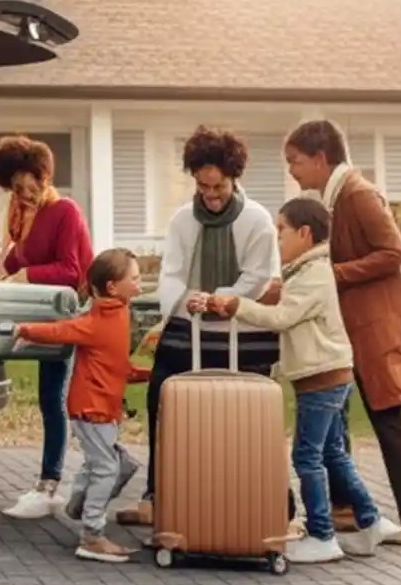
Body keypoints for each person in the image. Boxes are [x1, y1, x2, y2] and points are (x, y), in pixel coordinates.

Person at [116, 125, 286, 527]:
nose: (211, 195)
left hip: (244, 329)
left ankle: (254, 496)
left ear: (233, 178)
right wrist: (188, 301)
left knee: (246, 415)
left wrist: (219, 299)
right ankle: (158, 494)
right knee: (163, 399)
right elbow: (171, 272)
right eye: (203, 186)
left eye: (219, 187)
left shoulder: (257, 220)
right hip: (188, 324)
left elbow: (258, 276)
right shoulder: (181, 220)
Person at [284, 118, 401, 545]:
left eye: (295, 161)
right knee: (338, 418)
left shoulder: (358, 194)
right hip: (353, 327)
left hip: (376, 325)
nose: (292, 171)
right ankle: (345, 511)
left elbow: (393, 253)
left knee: (387, 417)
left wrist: (333, 275)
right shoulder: (335, 196)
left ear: (319, 158)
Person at [208, 198, 384, 563]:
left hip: (321, 377)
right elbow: (288, 302)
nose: (278, 239)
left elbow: (283, 317)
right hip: (329, 373)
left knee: (307, 457)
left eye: (281, 231)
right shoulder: (307, 270)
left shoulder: (314, 273)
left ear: (305, 233)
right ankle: (371, 521)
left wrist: (235, 305)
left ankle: (322, 535)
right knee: (332, 452)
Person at [0, 135, 116, 519]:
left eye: (32, 187)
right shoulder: (19, 214)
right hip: (43, 312)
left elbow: (71, 270)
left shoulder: (65, 212)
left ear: (45, 179)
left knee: (60, 398)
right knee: (59, 399)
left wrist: (22, 274)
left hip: (72, 313)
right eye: (17, 189)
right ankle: (65, 479)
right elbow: (16, 258)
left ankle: (51, 484)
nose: (25, 196)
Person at [14, 248, 144, 562]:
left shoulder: (120, 313)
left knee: (105, 462)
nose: (140, 285)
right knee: (108, 468)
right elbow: (62, 330)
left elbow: (113, 360)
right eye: (136, 279)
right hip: (91, 409)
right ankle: (92, 535)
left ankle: (79, 504)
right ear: (113, 287)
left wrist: (143, 373)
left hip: (104, 409)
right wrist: (25, 330)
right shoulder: (97, 320)